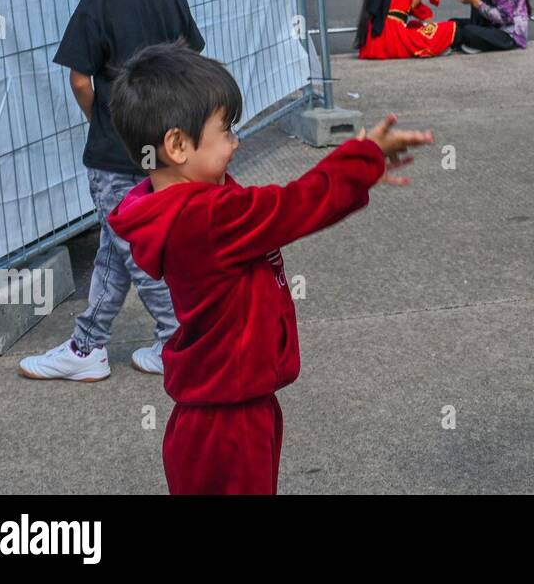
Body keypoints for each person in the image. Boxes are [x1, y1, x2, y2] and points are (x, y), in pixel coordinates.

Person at [106, 42, 431, 494]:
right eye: (226, 131)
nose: (236, 143)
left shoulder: (181, 207)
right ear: (178, 145)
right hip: (228, 422)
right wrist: (363, 158)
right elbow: (294, 207)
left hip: (224, 409)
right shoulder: (205, 218)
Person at [19, 0, 203, 383]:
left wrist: (102, 118)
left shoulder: (95, 5)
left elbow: (81, 79)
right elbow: (189, 65)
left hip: (114, 155)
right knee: (118, 246)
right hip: (165, 153)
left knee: (135, 248)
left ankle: (177, 340)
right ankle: (89, 344)